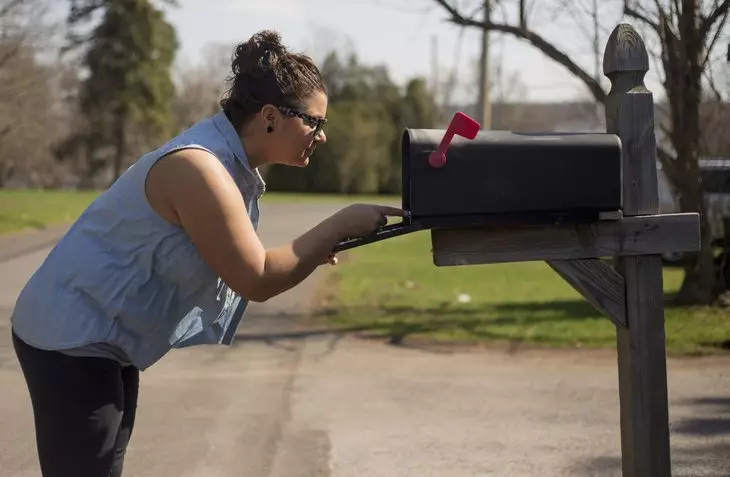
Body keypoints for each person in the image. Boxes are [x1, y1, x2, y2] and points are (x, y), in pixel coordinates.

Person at [10, 29, 403, 477]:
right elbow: (256, 277)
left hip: (104, 339)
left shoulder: (227, 164)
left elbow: (243, 259)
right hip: (70, 335)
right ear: (271, 116)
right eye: (314, 121)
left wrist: (316, 247)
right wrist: (339, 223)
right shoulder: (200, 167)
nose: (322, 135)